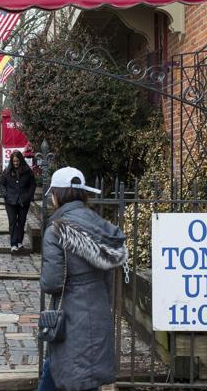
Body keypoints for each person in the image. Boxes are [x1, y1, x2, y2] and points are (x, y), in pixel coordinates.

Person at [39, 167, 126, 391]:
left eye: (52, 194)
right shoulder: (101, 226)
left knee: (68, 370)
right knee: (87, 371)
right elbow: (108, 274)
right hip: (98, 308)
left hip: (70, 313)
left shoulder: (56, 230)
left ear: (58, 195)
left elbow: (51, 282)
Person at [1, 151, 35, 254]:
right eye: (14, 161)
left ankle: (19, 241)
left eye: (17, 161)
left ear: (21, 160)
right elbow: (2, 185)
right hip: (10, 201)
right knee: (12, 222)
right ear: (11, 161)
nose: (16, 163)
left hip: (23, 200)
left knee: (21, 221)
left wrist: (29, 196)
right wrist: (5, 194)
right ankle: (13, 244)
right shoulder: (7, 171)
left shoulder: (27, 171)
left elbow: (32, 185)